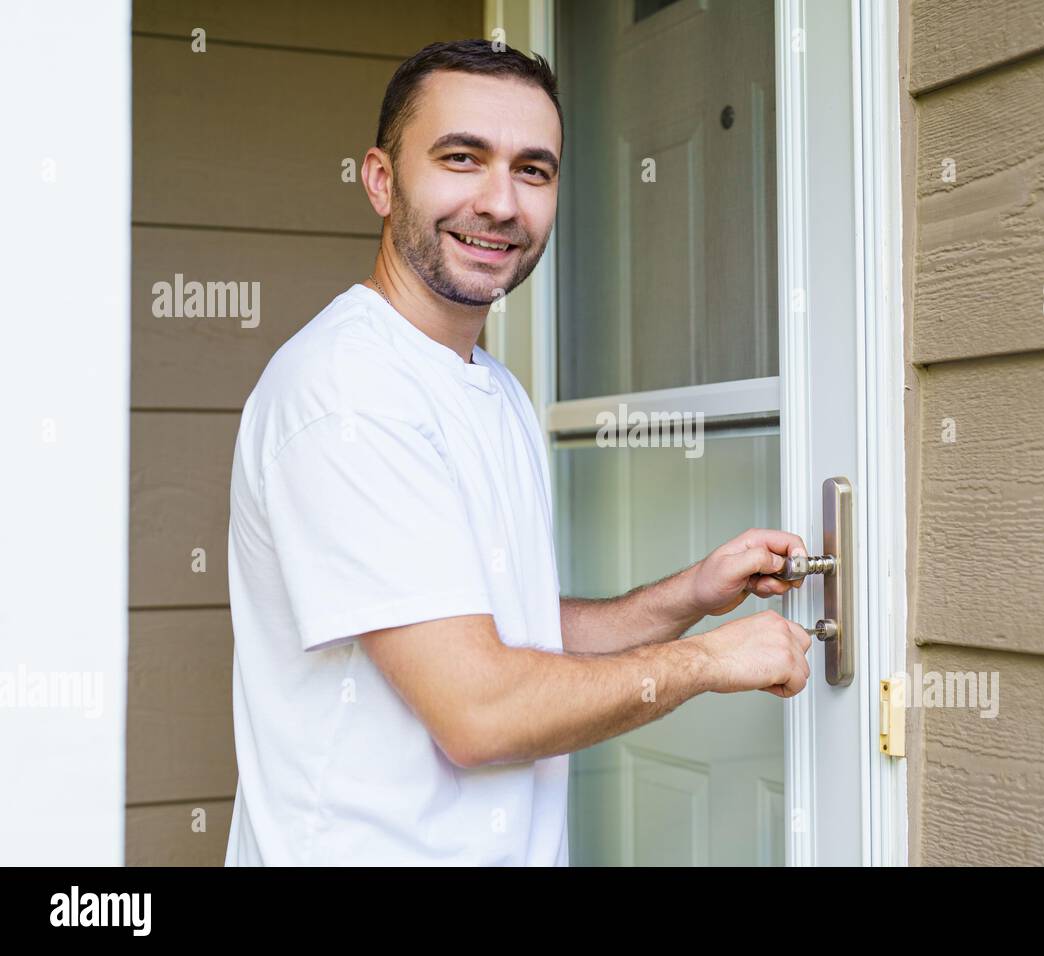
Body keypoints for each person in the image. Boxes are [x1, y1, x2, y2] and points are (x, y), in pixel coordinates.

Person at [224, 38, 811, 866]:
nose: (500, 203)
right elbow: (482, 712)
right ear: (382, 180)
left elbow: (506, 637)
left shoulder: (491, 387)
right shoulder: (344, 392)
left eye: (533, 170)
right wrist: (708, 661)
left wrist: (690, 595)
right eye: (463, 159)